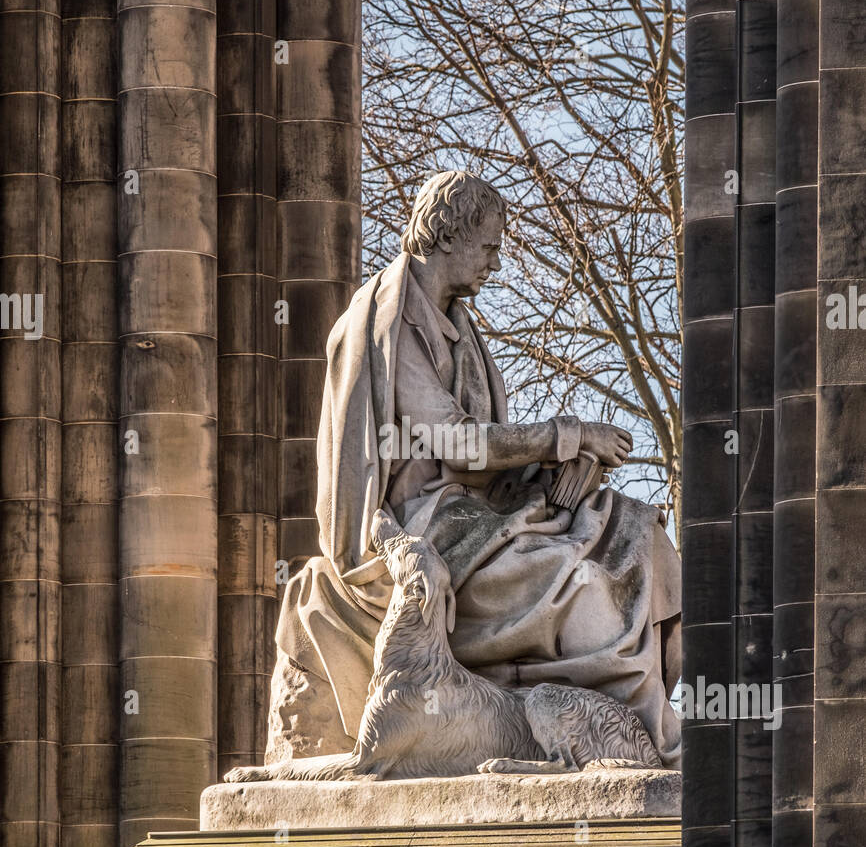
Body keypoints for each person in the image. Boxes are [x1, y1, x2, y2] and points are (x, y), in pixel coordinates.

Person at [271, 170, 682, 767]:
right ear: (447, 235)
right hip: (424, 524)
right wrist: (566, 435)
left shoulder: (461, 327)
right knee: (578, 578)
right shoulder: (387, 321)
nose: (496, 262)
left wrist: (568, 469)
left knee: (638, 531)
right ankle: (618, 746)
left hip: (479, 511)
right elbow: (458, 442)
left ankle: (650, 742)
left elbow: (485, 464)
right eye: (488, 246)